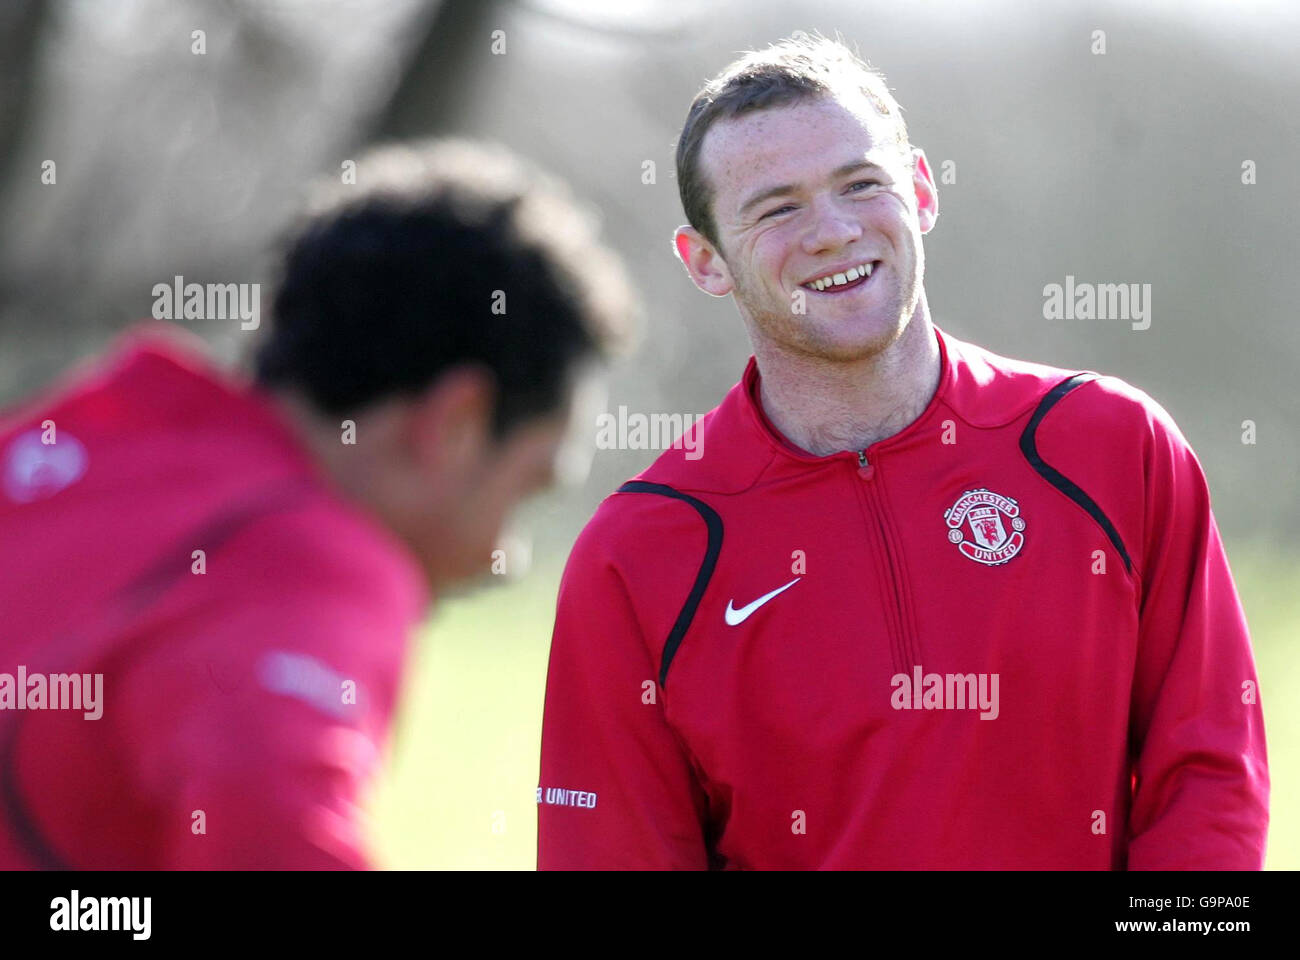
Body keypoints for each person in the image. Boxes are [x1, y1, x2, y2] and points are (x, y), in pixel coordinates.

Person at [537, 35, 1269, 869]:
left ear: (920, 190)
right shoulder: (636, 554)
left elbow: (1210, 773)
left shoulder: (1110, 444)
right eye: (777, 208)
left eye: (861, 184)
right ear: (705, 262)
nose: (834, 231)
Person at [0, 138, 631, 868]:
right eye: (528, 486)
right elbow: (270, 827)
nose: (509, 557)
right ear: (455, 422)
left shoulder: (72, 450)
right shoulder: (311, 560)